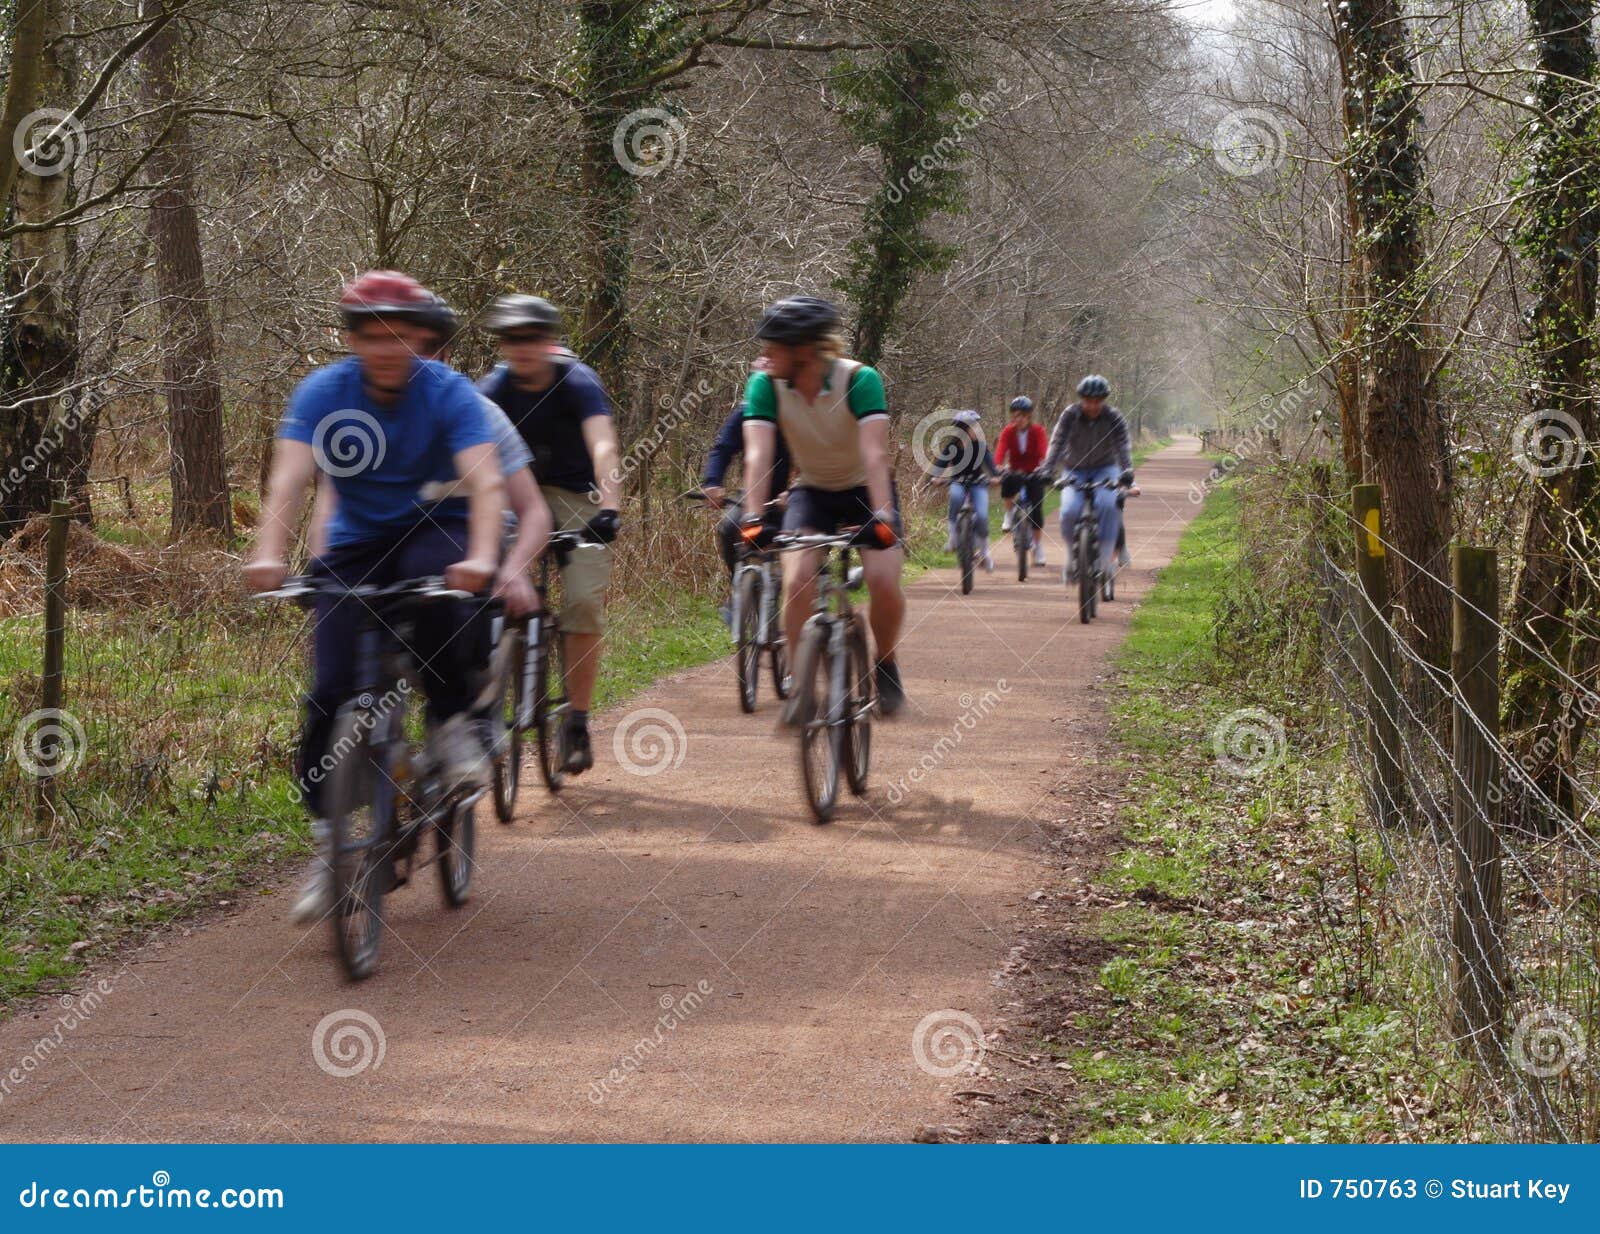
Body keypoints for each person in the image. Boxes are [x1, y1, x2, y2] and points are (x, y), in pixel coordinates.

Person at [243, 270, 506, 923]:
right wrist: (270, 552)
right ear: (351, 338)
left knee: (449, 602)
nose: (386, 346)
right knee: (329, 690)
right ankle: (330, 846)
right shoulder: (323, 392)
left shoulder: (446, 391)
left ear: (419, 336)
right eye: (369, 333)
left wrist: (479, 556)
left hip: (435, 528)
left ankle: (450, 723)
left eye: (399, 334)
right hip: (359, 541)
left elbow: (486, 483)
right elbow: (289, 480)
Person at [739, 296, 907, 717]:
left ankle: (885, 662)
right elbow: (756, 456)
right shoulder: (764, 384)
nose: (764, 355)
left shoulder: (859, 380)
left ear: (803, 349)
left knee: (883, 581)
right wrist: (753, 518)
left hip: (867, 492)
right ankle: (800, 687)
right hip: (811, 492)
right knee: (797, 582)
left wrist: (883, 517)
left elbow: (874, 455)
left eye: (772, 346)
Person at [478, 294, 623, 774]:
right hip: (517, 494)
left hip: (575, 494)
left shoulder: (577, 383)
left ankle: (577, 721)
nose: (522, 348)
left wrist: (610, 508)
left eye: (532, 338)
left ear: (551, 342)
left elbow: (603, 444)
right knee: (481, 583)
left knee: (581, 600)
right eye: (512, 340)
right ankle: (480, 704)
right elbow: (470, 453)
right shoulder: (492, 389)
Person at [701, 371, 792, 610]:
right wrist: (713, 483)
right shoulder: (747, 412)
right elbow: (723, 448)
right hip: (751, 495)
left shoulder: (801, 413)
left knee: (798, 543)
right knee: (729, 527)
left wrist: (796, 489)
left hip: (792, 495)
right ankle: (739, 592)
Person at [1040, 374, 1138, 580]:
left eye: (1097, 401)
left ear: (1104, 400)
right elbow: (1057, 442)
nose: (1093, 406)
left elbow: (1123, 446)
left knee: (1108, 505)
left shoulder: (1113, 417)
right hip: (1074, 469)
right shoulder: (1070, 415)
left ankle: (1105, 559)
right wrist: (1048, 470)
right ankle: (1070, 557)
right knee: (1068, 511)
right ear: (1081, 399)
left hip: (1105, 468)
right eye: (1088, 401)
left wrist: (1127, 472)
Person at [931, 409, 999, 573]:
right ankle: (953, 539)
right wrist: (936, 477)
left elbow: (991, 465)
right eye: (973, 427)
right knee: (955, 498)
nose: (976, 430)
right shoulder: (951, 446)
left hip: (978, 484)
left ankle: (985, 554)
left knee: (982, 516)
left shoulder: (980, 447)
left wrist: (997, 476)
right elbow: (940, 464)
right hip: (958, 483)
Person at [995, 395, 1049, 568]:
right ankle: (1009, 514)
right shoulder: (1008, 432)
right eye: (1015, 415)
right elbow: (1001, 450)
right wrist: (998, 465)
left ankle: (1038, 548)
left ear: (1028, 416)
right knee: (1008, 480)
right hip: (1015, 470)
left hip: (1034, 471)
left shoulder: (1038, 431)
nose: (1017, 419)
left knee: (1037, 509)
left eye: (1021, 415)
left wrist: (1043, 466)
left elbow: (1043, 450)